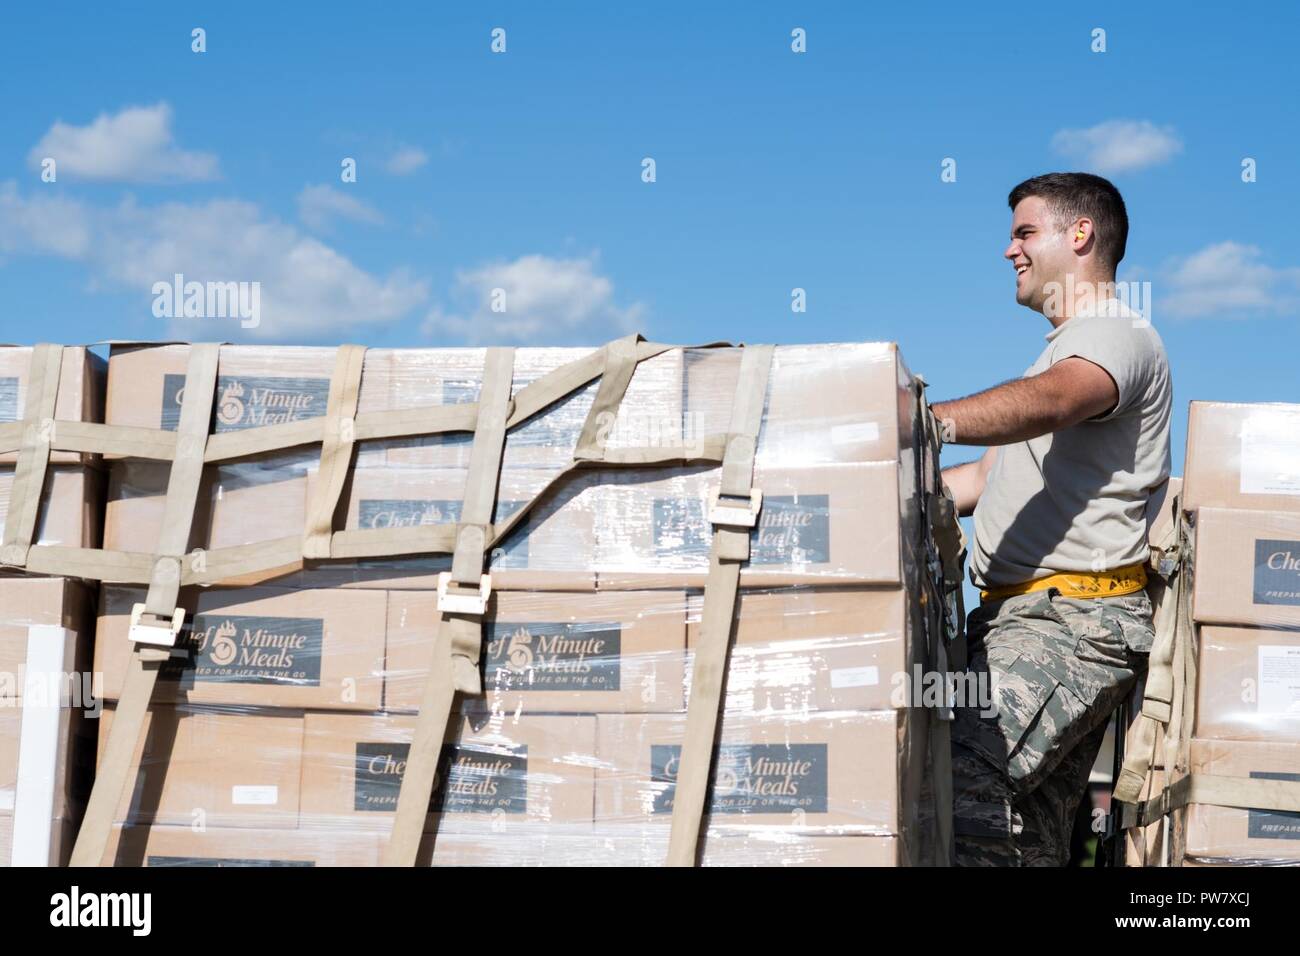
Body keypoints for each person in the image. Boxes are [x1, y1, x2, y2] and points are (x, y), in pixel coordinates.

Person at [932, 172, 1172, 866]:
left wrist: (922, 420)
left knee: (959, 783)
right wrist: (864, 488)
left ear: (1081, 234)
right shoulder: (1064, 348)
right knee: (1016, 837)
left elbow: (1055, 399)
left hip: (1069, 623)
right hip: (1026, 621)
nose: (1010, 250)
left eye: (1025, 232)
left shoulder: (1114, 333)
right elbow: (983, 480)